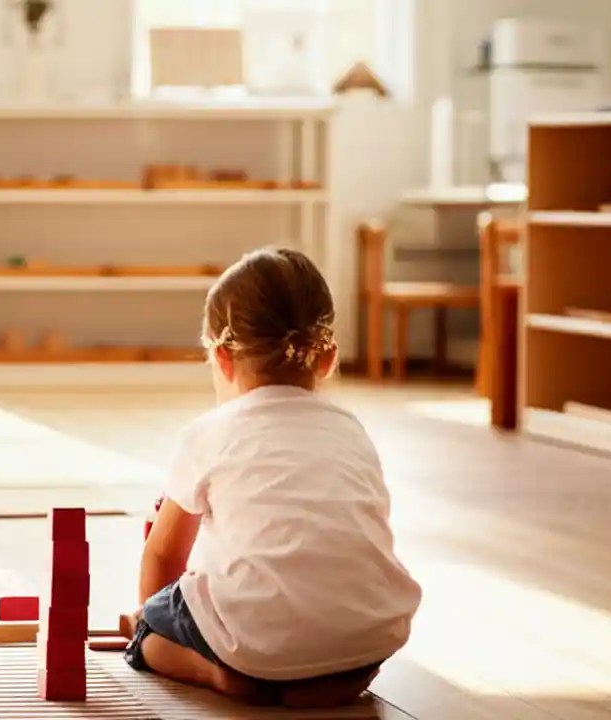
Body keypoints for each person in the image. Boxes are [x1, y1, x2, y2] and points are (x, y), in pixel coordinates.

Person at [122, 247, 422, 708]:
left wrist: (148, 617)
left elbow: (163, 555)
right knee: (339, 625)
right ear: (327, 359)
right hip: (370, 632)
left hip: (253, 642)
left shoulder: (207, 433)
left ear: (222, 358)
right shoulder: (351, 428)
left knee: (146, 639)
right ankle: (334, 676)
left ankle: (228, 679)